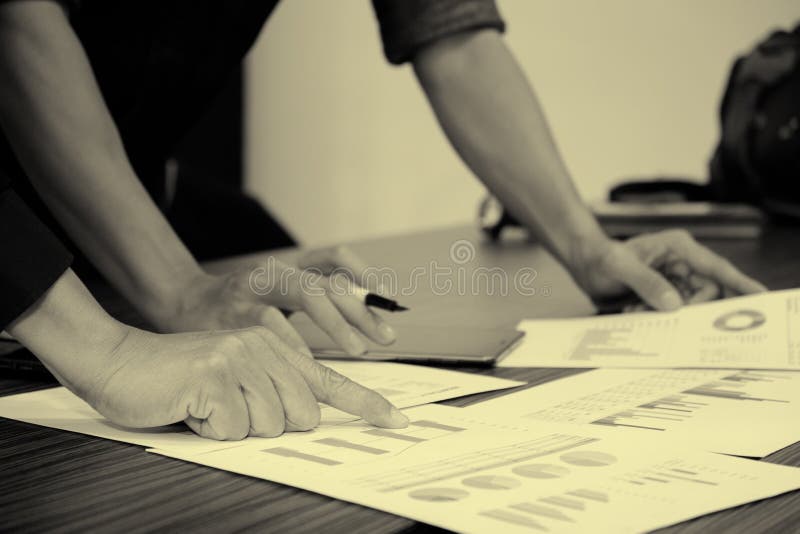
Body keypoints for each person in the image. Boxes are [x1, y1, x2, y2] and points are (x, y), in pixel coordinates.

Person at [0, 0, 765, 440]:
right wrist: (162, 300)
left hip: (133, 190)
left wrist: (587, 245)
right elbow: (19, 28)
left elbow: (454, 36)